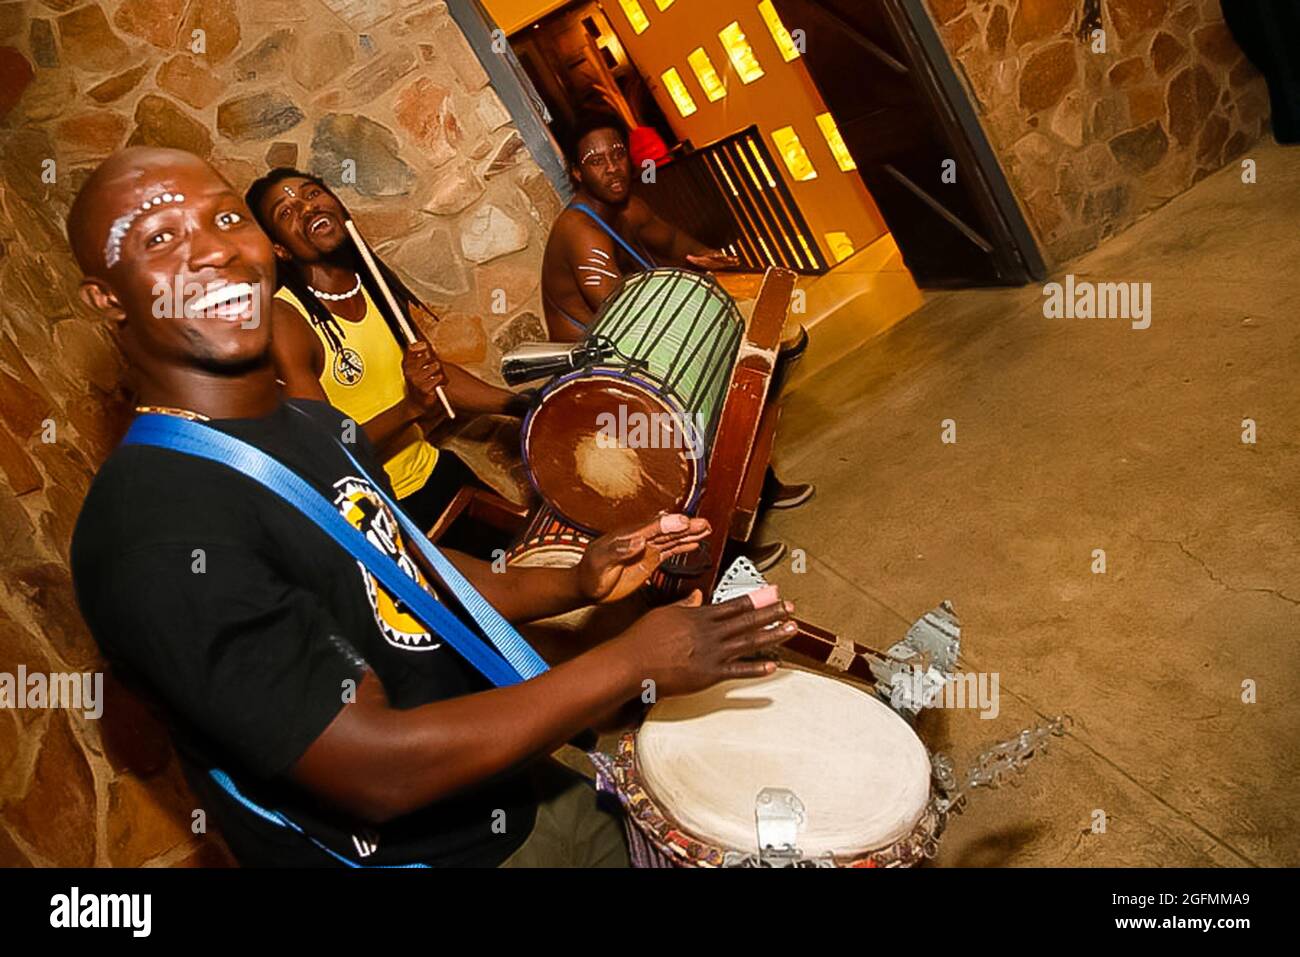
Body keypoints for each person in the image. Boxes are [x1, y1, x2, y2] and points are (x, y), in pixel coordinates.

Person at [67, 147, 798, 868]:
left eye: (226, 217)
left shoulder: (308, 425)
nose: (215, 252)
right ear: (104, 297)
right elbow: (374, 771)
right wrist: (630, 661)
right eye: (160, 238)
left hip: (513, 783)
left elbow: (405, 568)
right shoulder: (150, 530)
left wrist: (575, 580)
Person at [542, 112, 815, 568]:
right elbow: (619, 312)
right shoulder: (580, 232)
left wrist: (718, 262)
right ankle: (722, 553)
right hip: (593, 372)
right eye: (595, 161)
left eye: (617, 154)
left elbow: (672, 241)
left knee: (744, 373)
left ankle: (760, 490)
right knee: (691, 418)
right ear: (576, 172)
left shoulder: (628, 207)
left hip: (626, 345)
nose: (612, 167)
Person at [245, 168, 529, 534]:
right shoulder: (287, 321)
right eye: (286, 212)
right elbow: (326, 450)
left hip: (434, 471)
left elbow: (432, 377)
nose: (306, 208)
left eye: (312, 194)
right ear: (280, 249)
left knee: (538, 553)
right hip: (383, 512)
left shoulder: (372, 284)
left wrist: (520, 406)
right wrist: (410, 408)